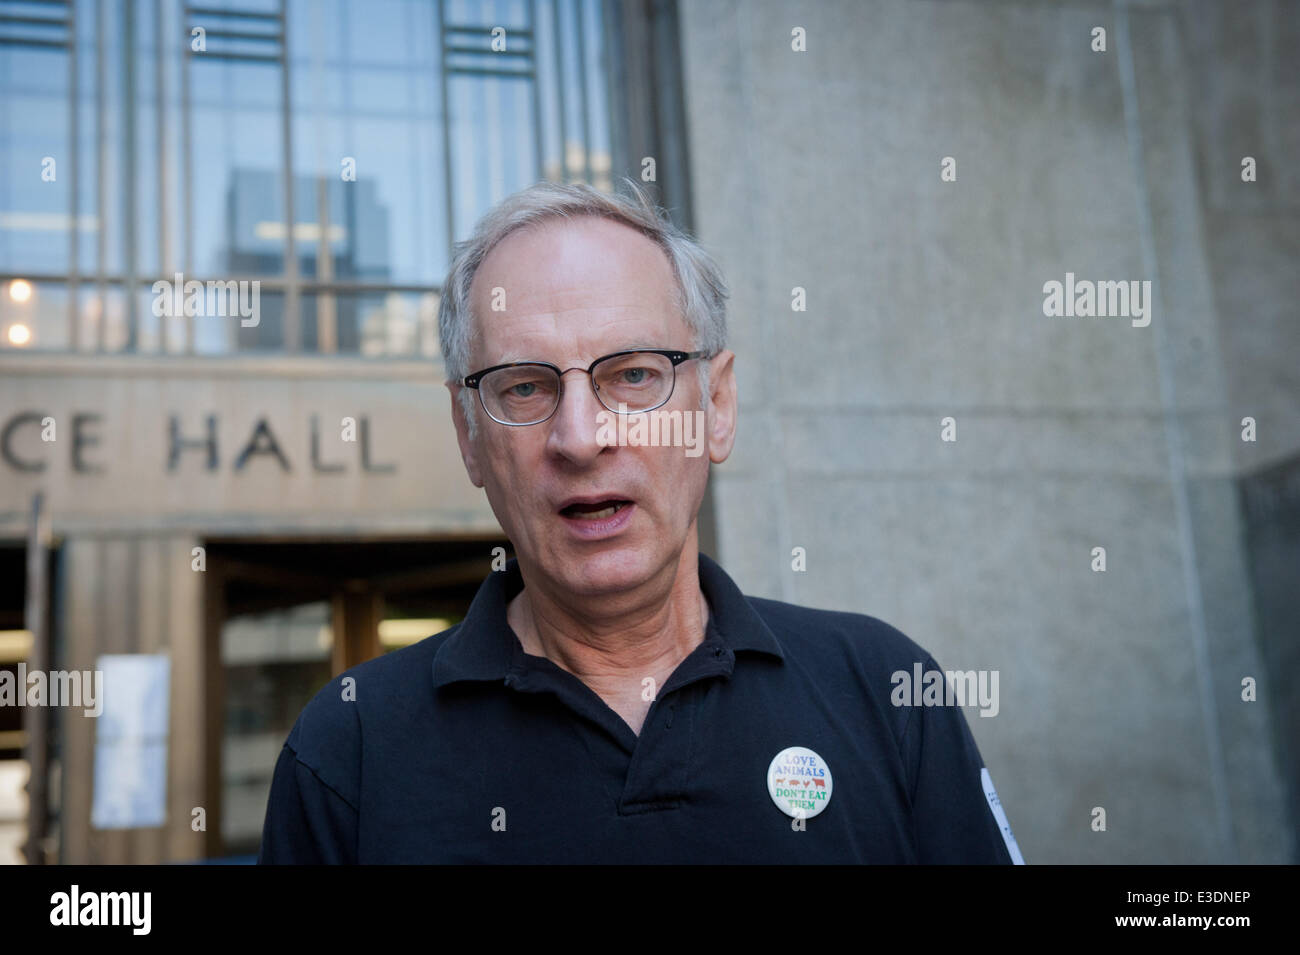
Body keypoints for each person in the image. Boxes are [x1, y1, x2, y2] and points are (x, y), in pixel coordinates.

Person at [258, 179, 1023, 864]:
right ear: (469, 437)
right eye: (523, 387)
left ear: (715, 407)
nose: (582, 437)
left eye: (633, 375)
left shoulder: (885, 691)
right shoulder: (350, 751)